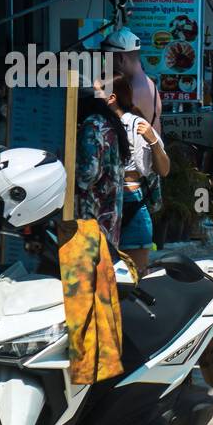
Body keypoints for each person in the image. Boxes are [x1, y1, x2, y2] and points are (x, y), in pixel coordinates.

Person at [99, 73, 169, 272]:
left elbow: (163, 169)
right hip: (104, 204)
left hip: (130, 203)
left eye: (96, 92)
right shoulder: (97, 125)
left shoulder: (135, 124)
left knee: (135, 278)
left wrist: (152, 140)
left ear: (111, 98)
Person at [75, 82, 131, 246]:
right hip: (110, 219)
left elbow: (87, 173)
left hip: (92, 218)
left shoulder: (92, 126)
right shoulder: (110, 123)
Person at [102, 27, 162, 132]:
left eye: (106, 58)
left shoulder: (128, 91)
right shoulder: (150, 84)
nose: (106, 64)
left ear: (120, 58)